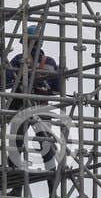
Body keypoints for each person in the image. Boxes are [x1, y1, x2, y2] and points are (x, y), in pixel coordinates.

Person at [5, 24, 65, 170]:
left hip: (23, 106)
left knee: (18, 144)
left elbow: (5, 80)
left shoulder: (19, 59)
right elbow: (58, 89)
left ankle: (17, 182)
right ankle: (50, 184)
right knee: (44, 144)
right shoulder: (49, 62)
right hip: (41, 106)